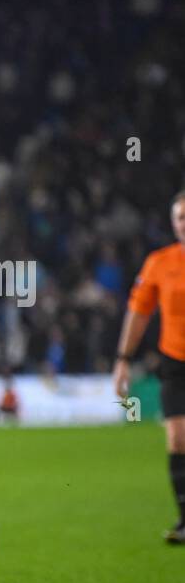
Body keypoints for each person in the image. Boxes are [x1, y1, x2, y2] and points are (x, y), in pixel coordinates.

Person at [114, 190, 185, 543]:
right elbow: (139, 312)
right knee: (177, 437)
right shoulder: (160, 262)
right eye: (180, 217)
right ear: (173, 223)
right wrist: (123, 360)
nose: (184, 223)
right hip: (174, 359)